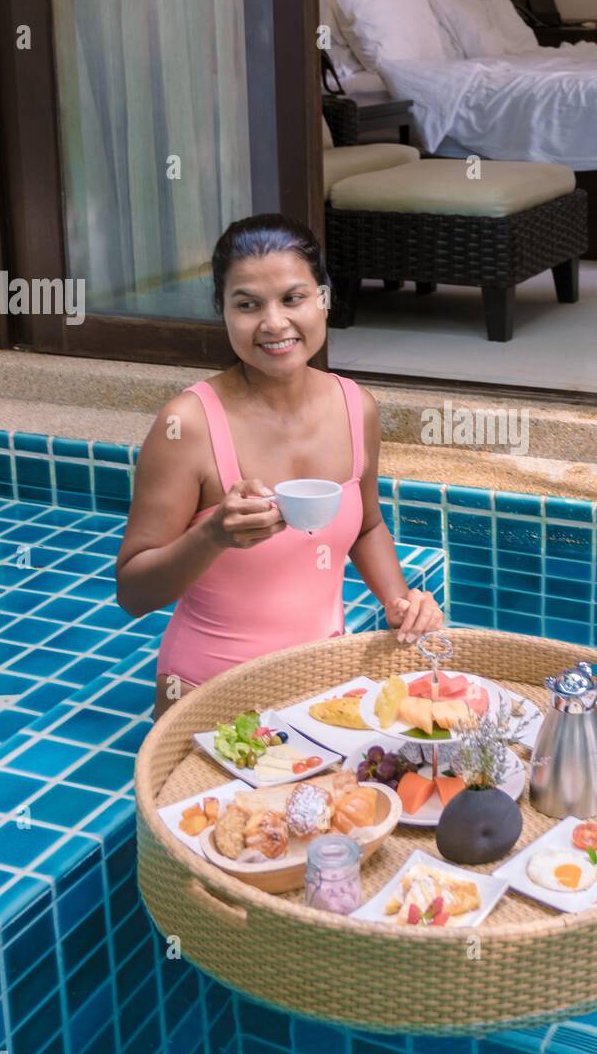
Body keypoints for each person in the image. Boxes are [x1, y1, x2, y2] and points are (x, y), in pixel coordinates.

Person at [116, 214, 443, 720]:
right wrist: (212, 536)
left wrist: (401, 604)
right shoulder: (188, 425)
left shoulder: (356, 407)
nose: (273, 322)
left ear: (324, 300)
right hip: (209, 698)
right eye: (247, 305)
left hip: (323, 688)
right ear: (222, 312)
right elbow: (134, 593)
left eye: (293, 298)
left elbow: (366, 526)